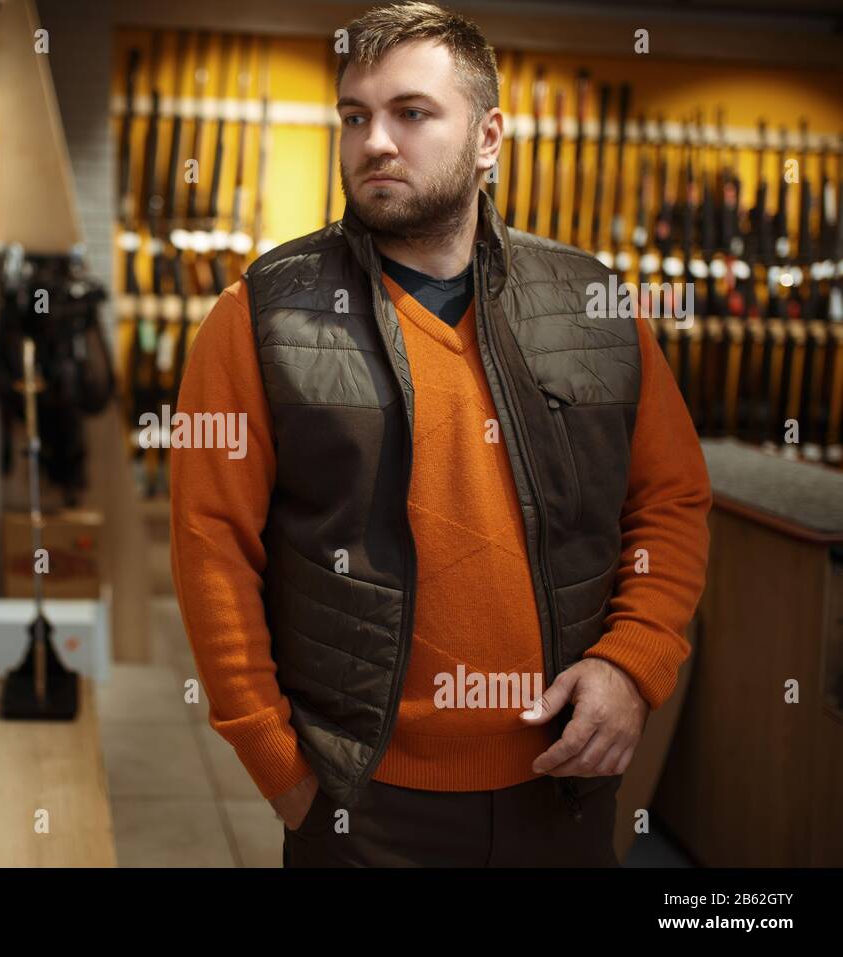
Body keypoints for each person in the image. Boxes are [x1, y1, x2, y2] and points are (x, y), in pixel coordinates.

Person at [168, 1, 712, 867]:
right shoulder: (260, 315)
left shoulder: (595, 304)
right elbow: (211, 545)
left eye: (411, 113)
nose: (375, 141)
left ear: (488, 136)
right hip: (358, 804)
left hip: (561, 788)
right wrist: (275, 756)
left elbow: (671, 498)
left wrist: (632, 662)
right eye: (356, 116)